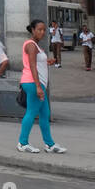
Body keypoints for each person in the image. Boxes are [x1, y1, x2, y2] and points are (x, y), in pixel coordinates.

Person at [18, 19, 66, 153]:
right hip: (33, 83)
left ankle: (49, 144)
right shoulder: (31, 45)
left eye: (44, 30)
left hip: (37, 83)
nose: (42, 32)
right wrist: (38, 87)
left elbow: (36, 63)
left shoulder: (36, 45)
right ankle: (22, 143)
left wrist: (47, 62)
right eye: (39, 29)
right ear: (32, 30)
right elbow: (32, 65)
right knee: (32, 112)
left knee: (45, 114)